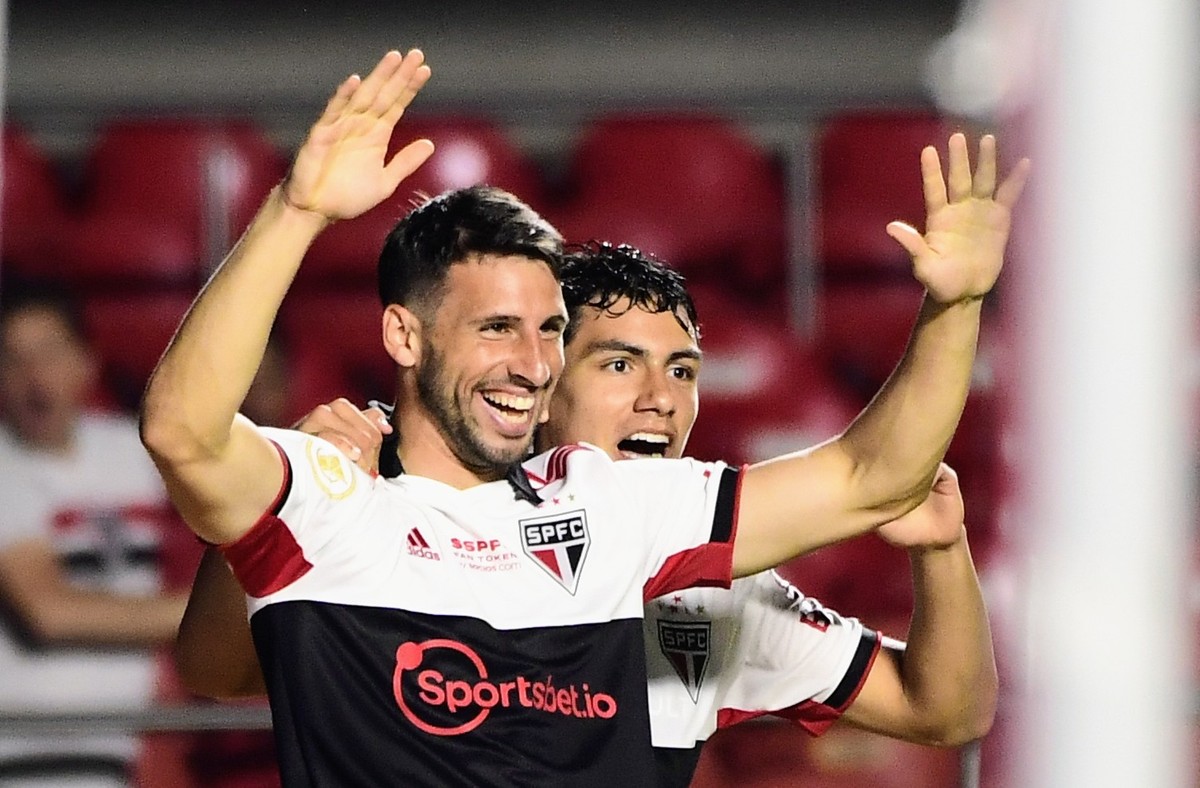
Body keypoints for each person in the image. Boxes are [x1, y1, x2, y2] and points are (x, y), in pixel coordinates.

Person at [139, 50, 1027, 785]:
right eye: (498, 330)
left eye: (549, 334)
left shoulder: (628, 516)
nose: (530, 362)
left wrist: (954, 307)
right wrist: (296, 213)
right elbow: (185, 448)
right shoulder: (336, 493)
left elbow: (874, 482)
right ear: (404, 336)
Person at [178, 243, 995, 788]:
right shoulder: (381, 501)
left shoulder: (706, 595)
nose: (661, 399)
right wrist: (267, 522)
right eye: (618, 363)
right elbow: (217, 670)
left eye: (683, 370)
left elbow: (945, 710)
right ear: (535, 382)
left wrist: (941, 551)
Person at [0, 280, 192, 786]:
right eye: (13, 358)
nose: (34, 377)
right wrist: (206, 615)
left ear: (88, 361)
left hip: (127, 746)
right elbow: (49, 612)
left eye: (50, 352)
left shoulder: (133, 450)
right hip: (25, 751)